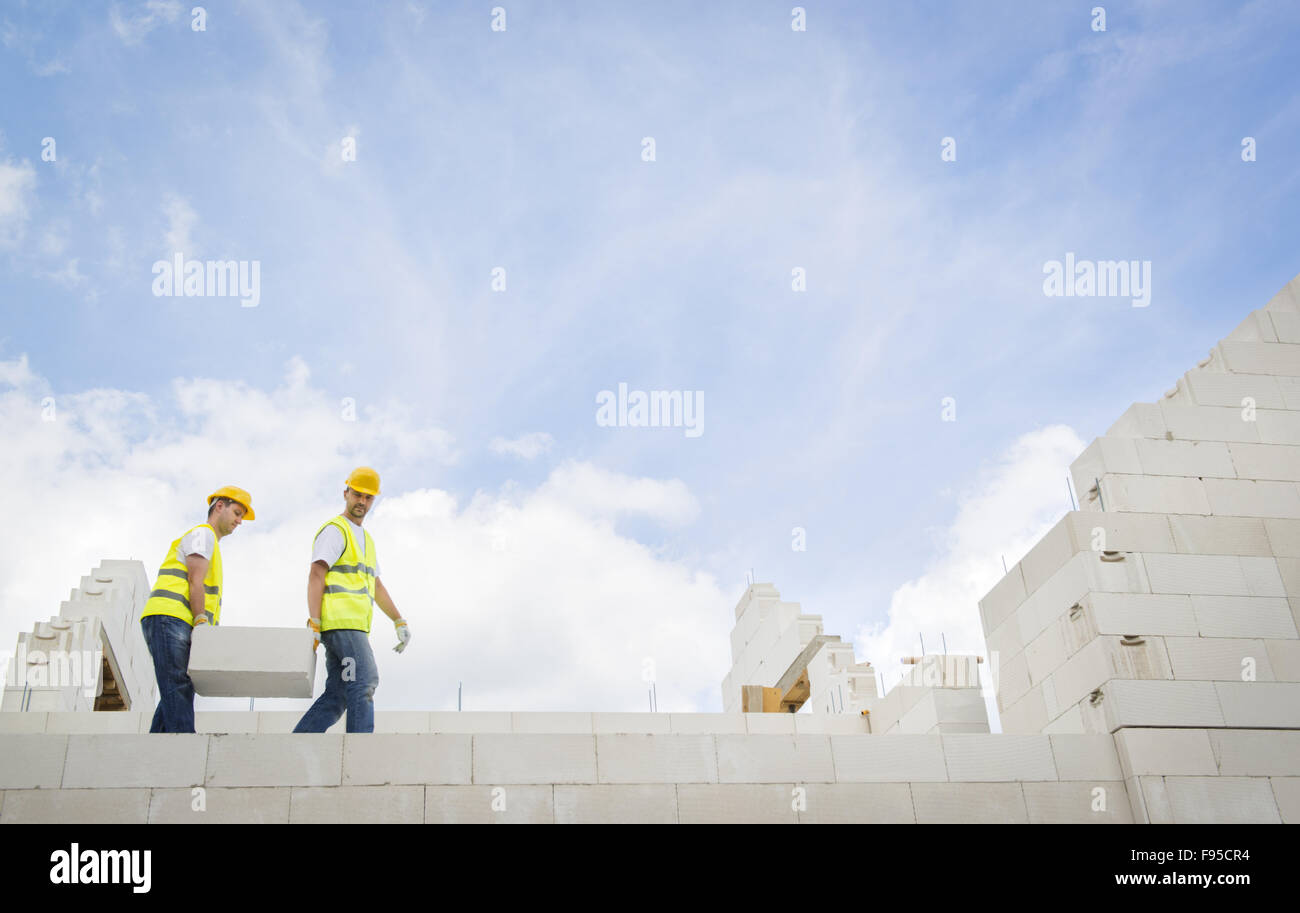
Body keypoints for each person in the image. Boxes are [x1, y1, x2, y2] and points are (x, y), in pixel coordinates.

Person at [294, 467, 410, 733]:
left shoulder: (366, 539)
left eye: (368, 498)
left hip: (352, 628)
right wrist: (314, 621)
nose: (362, 502)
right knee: (365, 680)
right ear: (346, 493)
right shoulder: (336, 530)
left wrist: (398, 620)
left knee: (339, 693)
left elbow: (376, 585)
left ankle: (297, 742)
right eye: (357, 495)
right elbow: (316, 573)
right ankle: (360, 753)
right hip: (341, 626)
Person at [141, 486, 255, 733]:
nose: (239, 521)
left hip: (175, 619)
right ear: (219, 506)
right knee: (178, 685)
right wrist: (201, 621)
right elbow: (196, 580)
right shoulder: (203, 535)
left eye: (242, 517)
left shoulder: (209, 541)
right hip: (171, 617)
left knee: (177, 687)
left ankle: (154, 746)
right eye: (237, 513)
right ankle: (185, 743)